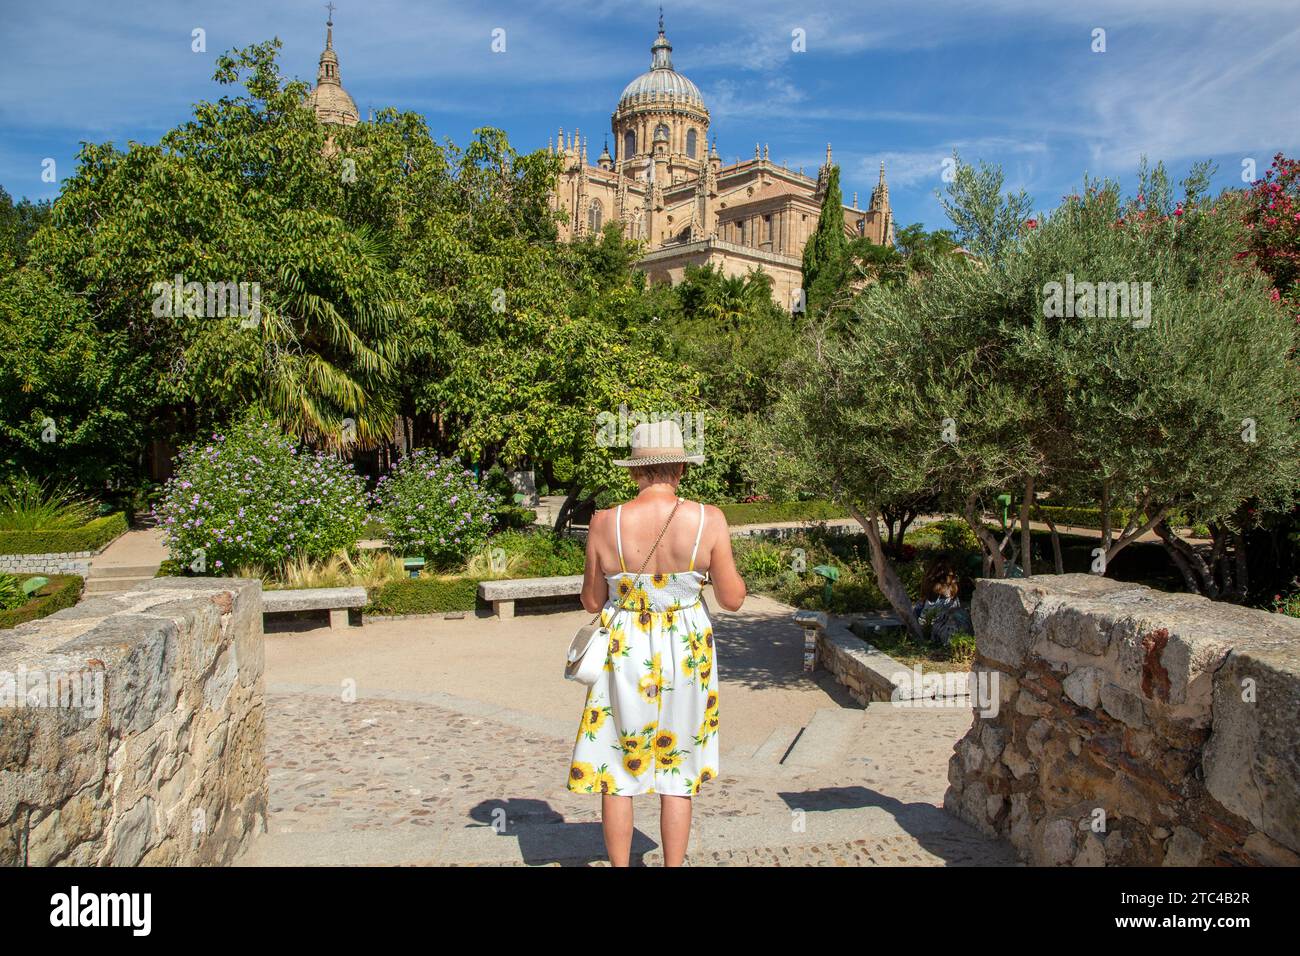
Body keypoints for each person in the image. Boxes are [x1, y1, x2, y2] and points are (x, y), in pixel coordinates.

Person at [565, 420, 746, 867]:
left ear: (634, 472)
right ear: (681, 468)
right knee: (678, 769)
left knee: (615, 766)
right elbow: (733, 599)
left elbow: (591, 599)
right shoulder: (709, 520)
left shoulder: (605, 522)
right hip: (687, 650)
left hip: (624, 648)